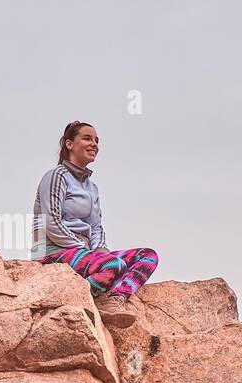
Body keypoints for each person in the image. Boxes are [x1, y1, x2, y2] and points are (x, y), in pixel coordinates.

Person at [31, 120, 157, 328]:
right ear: (69, 144)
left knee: (148, 256)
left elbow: (96, 227)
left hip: (84, 255)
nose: (94, 144)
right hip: (53, 252)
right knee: (113, 265)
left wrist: (99, 251)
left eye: (97, 140)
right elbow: (51, 222)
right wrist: (88, 252)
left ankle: (113, 298)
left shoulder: (92, 187)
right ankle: (81, 296)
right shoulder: (56, 176)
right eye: (87, 138)